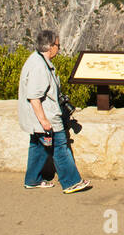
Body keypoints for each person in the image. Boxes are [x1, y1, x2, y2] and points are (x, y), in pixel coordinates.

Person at [18, 29, 91, 194]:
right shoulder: (39, 68)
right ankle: (71, 182)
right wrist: (44, 121)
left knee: (38, 146)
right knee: (60, 147)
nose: (59, 48)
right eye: (57, 45)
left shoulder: (36, 60)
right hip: (46, 118)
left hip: (35, 118)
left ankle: (32, 180)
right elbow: (34, 97)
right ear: (50, 47)